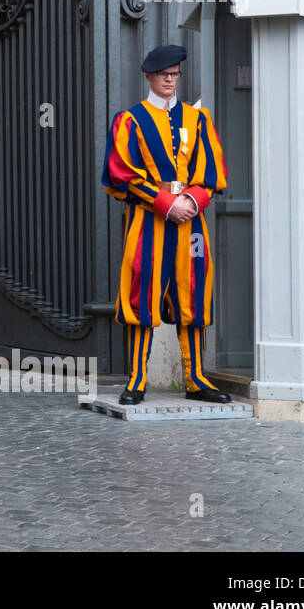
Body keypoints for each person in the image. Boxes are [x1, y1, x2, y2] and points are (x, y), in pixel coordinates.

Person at [100, 44, 231, 406]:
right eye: (164, 75)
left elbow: (213, 173)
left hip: (191, 220)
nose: (171, 81)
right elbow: (120, 174)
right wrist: (164, 203)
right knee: (142, 293)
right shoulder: (130, 121)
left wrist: (190, 201)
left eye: (175, 75)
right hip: (148, 220)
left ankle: (197, 379)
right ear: (149, 77)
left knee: (194, 294)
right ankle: (137, 379)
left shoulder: (197, 119)